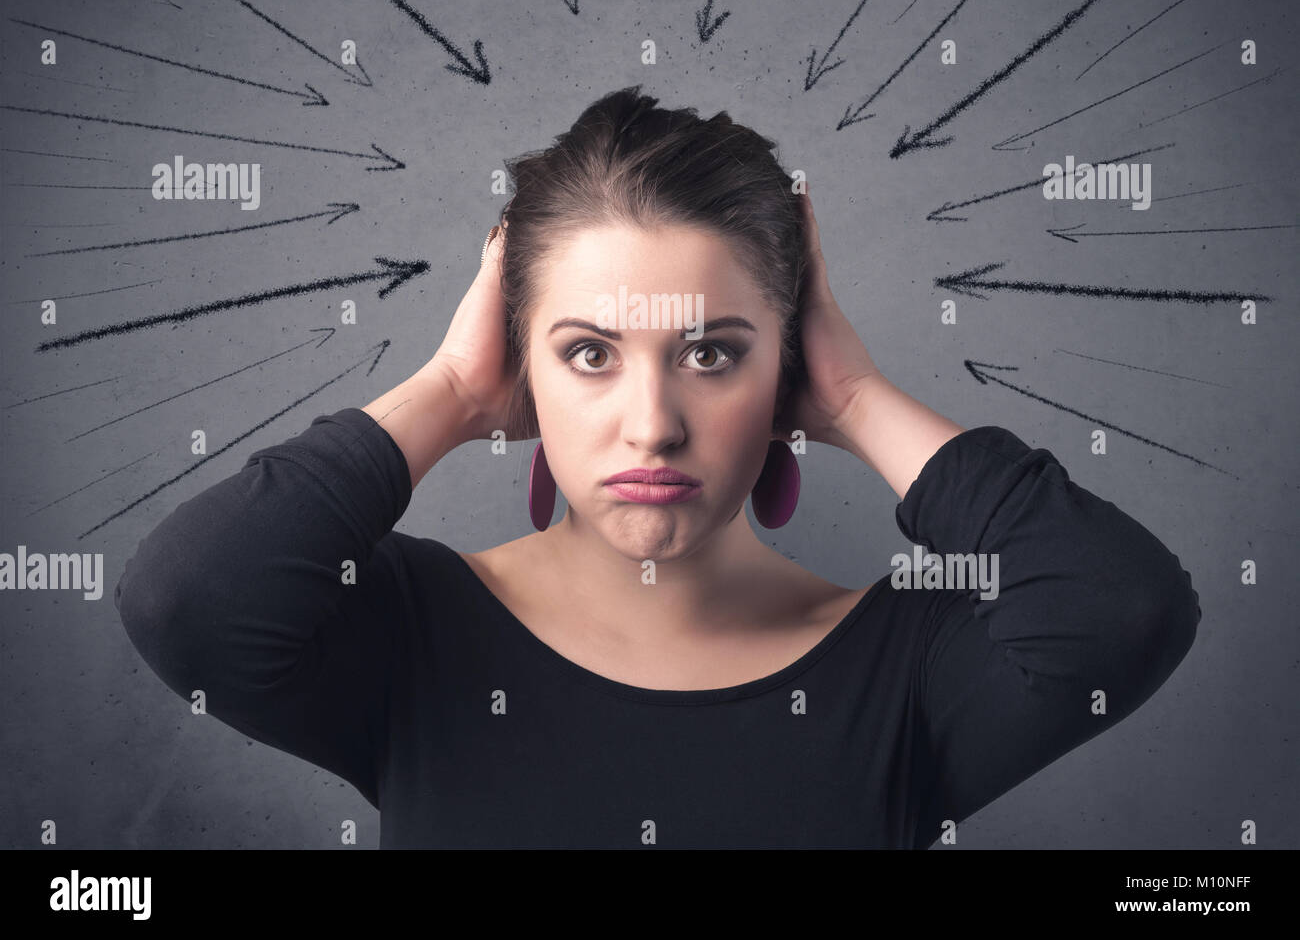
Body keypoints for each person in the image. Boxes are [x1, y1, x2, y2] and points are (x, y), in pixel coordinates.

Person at [116, 85, 1200, 848]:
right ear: (520, 364)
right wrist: (448, 390)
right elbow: (186, 598)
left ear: (788, 369)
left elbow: (1125, 608)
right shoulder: (410, 632)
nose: (652, 424)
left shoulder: (906, 668)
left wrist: (862, 400)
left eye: (711, 353)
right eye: (588, 352)